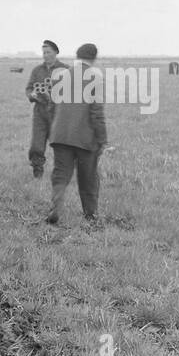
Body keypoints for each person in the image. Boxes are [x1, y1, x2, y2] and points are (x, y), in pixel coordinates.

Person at [46, 43, 108, 227]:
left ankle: (56, 206)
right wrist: (102, 139)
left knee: (60, 174)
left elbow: (51, 106)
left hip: (61, 135)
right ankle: (90, 216)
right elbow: (96, 112)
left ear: (77, 56)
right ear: (94, 58)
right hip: (85, 137)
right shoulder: (95, 78)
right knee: (88, 177)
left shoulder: (61, 75)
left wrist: (56, 128)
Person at [25, 39, 69, 178]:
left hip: (58, 113)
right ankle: (37, 172)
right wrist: (32, 94)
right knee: (36, 145)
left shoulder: (66, 69)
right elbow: (29, 88)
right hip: (40, 112)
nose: (45, 55)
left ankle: (62, 173)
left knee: (61, 145)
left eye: (48, 52)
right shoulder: (37, 70)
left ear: (56, 52)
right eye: (43, 52)